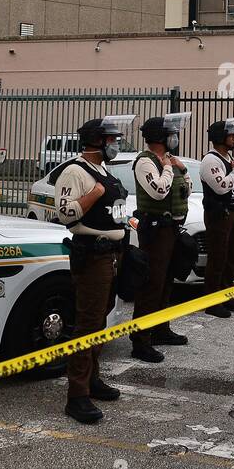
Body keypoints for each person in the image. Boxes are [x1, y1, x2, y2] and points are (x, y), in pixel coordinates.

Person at [53, 114, 136, 424]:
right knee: (87, 323)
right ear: (97, 142)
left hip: (112, 253)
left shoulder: (103, 169)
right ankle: (77, 395)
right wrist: (94, 194)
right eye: (111, 140)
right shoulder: (75, 171)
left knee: (101, 320)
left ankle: (92, 379)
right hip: (92, 255)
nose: (115, 144)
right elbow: (66, 214)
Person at [130, 112, 192, 362]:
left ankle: (160, 329)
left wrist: (182, 168)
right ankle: (140, 340)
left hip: (172, 229)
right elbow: (159, 191)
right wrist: (168, 167)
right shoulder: (146, 162)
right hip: (155, 231)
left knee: (167, 282)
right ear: (160, 137)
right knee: (151, 285)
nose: (174, 138)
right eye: (171, 135)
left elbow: (186, 190)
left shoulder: (169, 161)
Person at [200, 116, 234, 318]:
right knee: (218, 258)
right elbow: (221, 187)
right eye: (230, 135)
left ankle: (227, 295)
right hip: (220, 215)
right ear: (220, 137)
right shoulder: (211, 160)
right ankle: (212, 301)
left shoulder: (229, 159)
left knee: (232, 257)